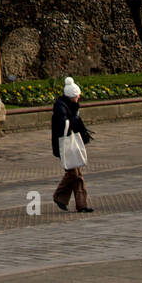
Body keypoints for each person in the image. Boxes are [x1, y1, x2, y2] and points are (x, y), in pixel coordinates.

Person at [51, 76, 94, 213]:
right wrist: (73, 121)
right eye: (77, 95)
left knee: (77, 174)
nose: (79, 97)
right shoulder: (60, 107)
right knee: (74, 174)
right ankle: (59, 196)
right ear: (71, 96)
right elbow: (63, 125)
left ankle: (80, 204)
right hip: (65, 144)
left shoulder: (71, 106)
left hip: (71, 144)